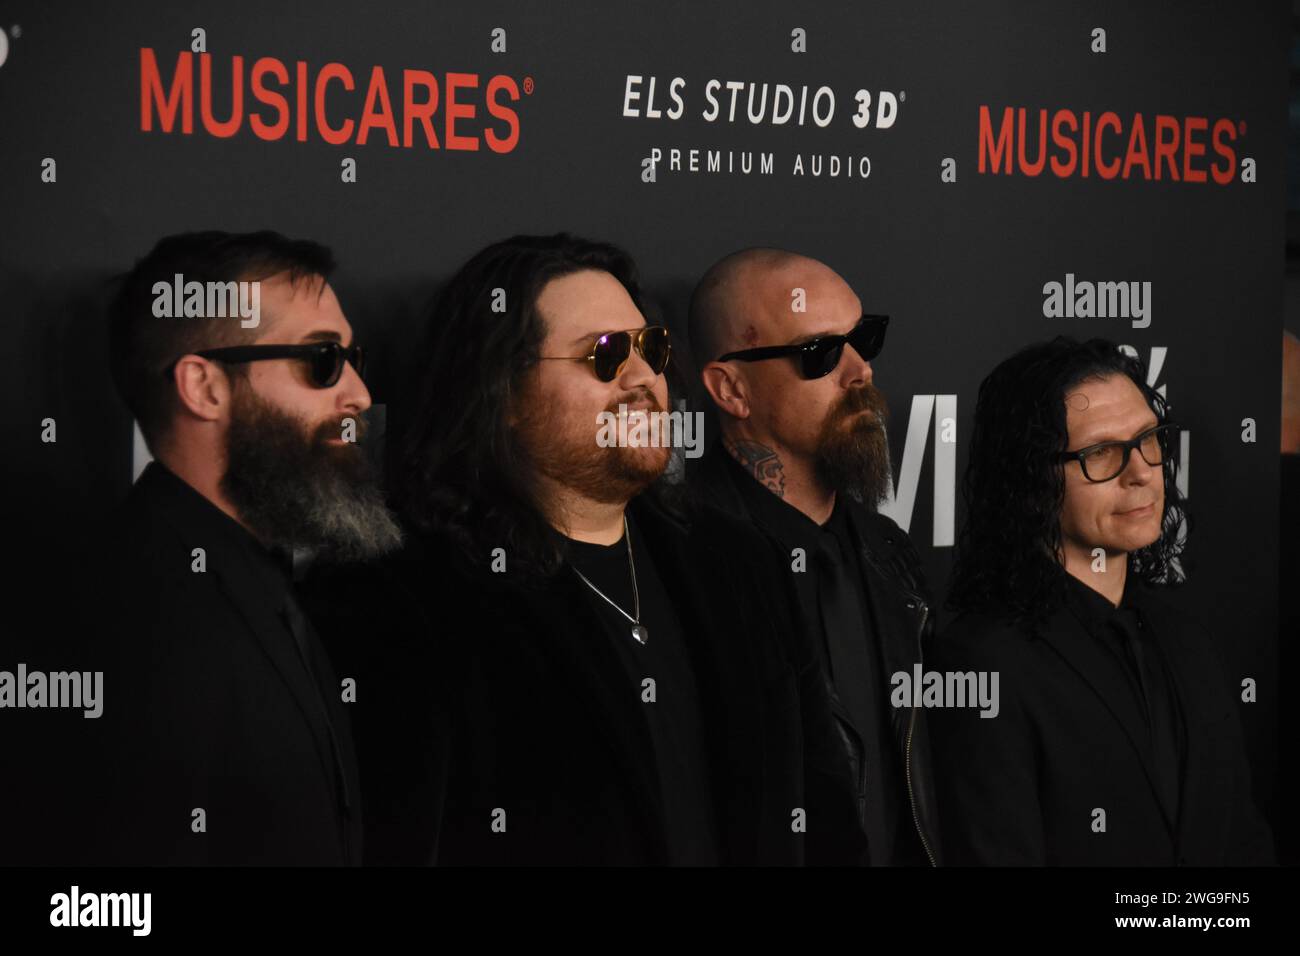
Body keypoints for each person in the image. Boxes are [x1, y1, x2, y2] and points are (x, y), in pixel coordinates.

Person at [328, 233, 866, 865]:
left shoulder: (741, 565)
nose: (643, 378)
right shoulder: (410, 602)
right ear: (503, 395)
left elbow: (825, 818)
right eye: (605, 355)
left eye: (652, 348)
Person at [94, 230, 402, 864]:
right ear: (205, 388)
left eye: (353, 359)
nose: (361, 397)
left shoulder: (252, 570)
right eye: (321, 361)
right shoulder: (138, 612)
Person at [932, 336, 1274, 865]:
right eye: (1100, 453)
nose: (1140, 472)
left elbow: (1242, 840)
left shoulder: (1184, 635)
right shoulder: (982, 662)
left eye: (1148, 440)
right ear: (1031, 480)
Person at [686, 247, 939, 865]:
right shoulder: (682, 562)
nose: (860, 373)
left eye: (865, 338)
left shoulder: (890, 555)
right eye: (821, 352)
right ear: (731, 388)